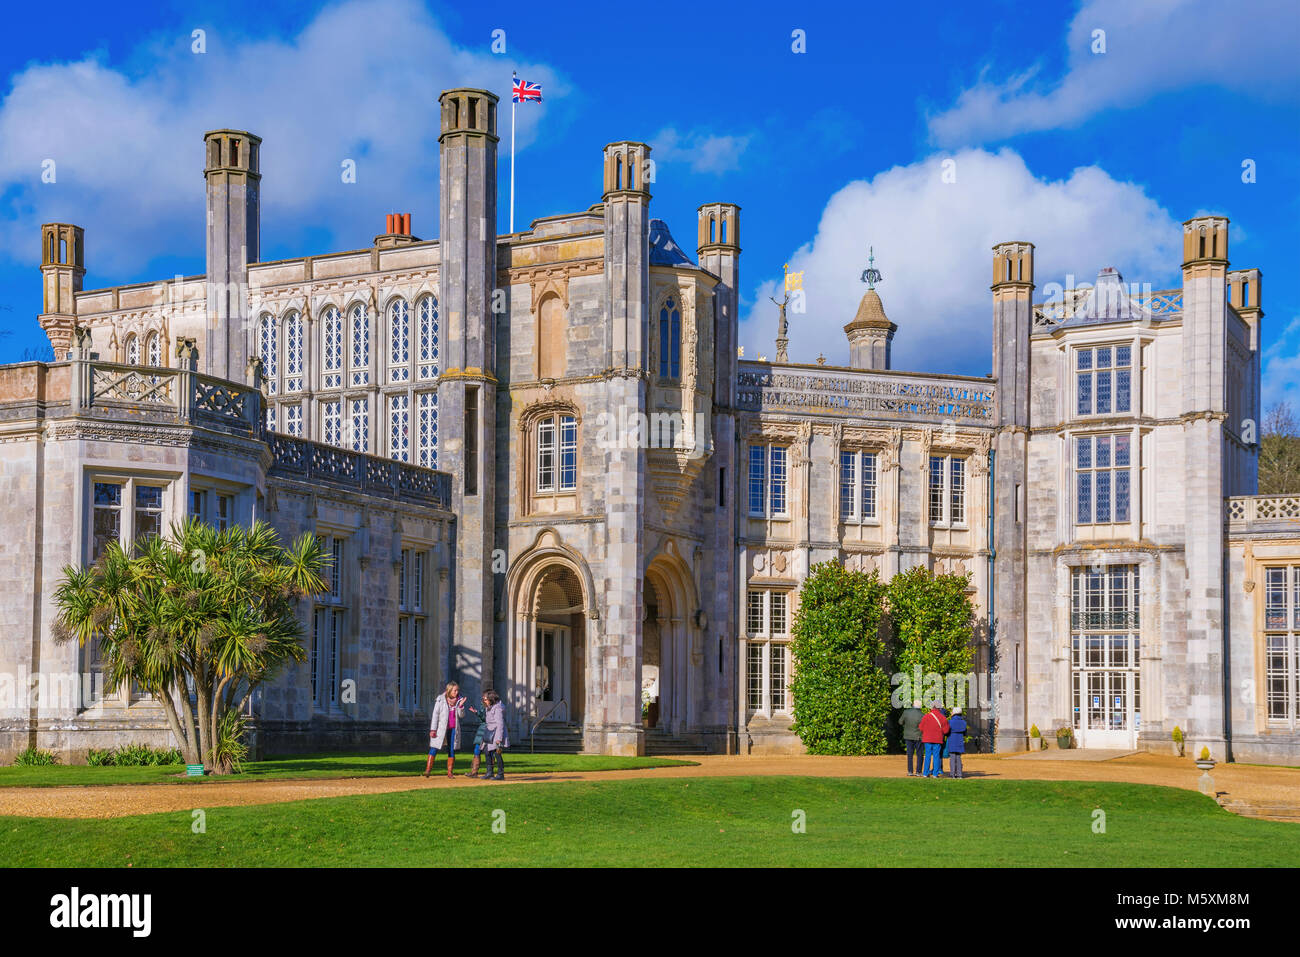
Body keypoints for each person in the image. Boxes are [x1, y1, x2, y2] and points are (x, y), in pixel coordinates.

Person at [424, 682, 466, 779]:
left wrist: (460, 706)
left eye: (457, 690)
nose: (457, 692)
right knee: (434, 748)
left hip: (453, 729)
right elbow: (435, 715)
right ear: (449, 690)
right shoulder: (440, 700)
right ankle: (428, 770)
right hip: (441, 729)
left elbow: (461, 715)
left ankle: (450, 772)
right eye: (455, 690)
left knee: (451, 750)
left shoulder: (459, 700)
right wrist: (433, 729)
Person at [480, 689, 508, 781]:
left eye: (485, 699)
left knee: (497, 753)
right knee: (487, 751)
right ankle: (489, 772)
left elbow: (500, 724)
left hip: (497, 732)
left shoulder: (498, 708)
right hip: (489, 731)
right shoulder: (489, 707)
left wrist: (499, 738)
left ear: (491, 698)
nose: (484, 701)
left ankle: (500, 774)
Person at [919, 701, 950, 778]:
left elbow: (921, 728)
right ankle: (935, 774)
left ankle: (925, 773)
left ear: (932, 707)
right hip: (938, 739)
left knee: (927, 756)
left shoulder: (926, 716)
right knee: (936, 757)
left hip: (927, 739)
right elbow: (946, 731)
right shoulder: (943, 717)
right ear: (939, 708)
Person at [465, 692, 491, 778]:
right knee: (477, 750)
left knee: (490, 752)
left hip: (490, 730)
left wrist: (477, 712)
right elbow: (483, 718)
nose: (484, 700)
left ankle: (490, 772)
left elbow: (487, 718)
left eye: (485, 698)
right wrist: (477, 712)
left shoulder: (494, 707)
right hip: (482, 729)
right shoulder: (483, 705)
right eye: (483, 698)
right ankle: (474, 772)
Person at [899, 699, 925, 776]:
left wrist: (906, 725)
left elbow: (900, 722)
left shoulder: (906, 712)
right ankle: (918, 771)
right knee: (919, 754)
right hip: (919, 736)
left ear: (913, 705)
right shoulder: (922, 715)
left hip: (908, 735)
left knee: (909, 754)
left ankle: (910, 771)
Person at [947, 707, 968, 778]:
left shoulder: (950, 722)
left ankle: (952, 774)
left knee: (952, 758)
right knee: (958, 758)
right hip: (959, 741)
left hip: (952, 740)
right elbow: (965, 733)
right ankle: (959, 774)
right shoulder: (964, 722)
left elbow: (947, 732)